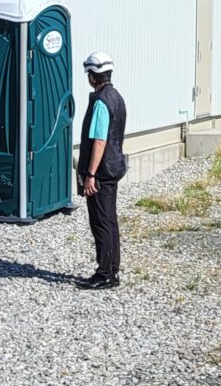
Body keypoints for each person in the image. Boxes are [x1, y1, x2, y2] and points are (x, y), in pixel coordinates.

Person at [75, 50, 126, 290]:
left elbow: (99, 141)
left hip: (102, 171)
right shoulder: (117, 97)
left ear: (93, 76)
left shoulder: (100, 102)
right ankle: (112, 269)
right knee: (110, 221)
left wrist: (90, 174)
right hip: (114, 166)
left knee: (101, 222)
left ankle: (104, 272)